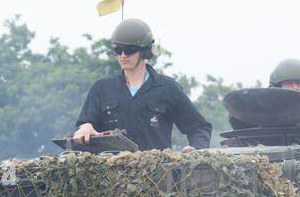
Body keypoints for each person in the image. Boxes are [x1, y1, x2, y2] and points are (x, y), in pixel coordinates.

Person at [73, 18, 212, 151]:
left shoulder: (167, 88)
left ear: (144, 51)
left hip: (156, 172)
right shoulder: (101, 89)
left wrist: (197, 149)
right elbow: (84, 126)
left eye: (129, 50)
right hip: (110, 172)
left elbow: (199, 127)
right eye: (118, 49)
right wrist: (85, 127)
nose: (123, 55)